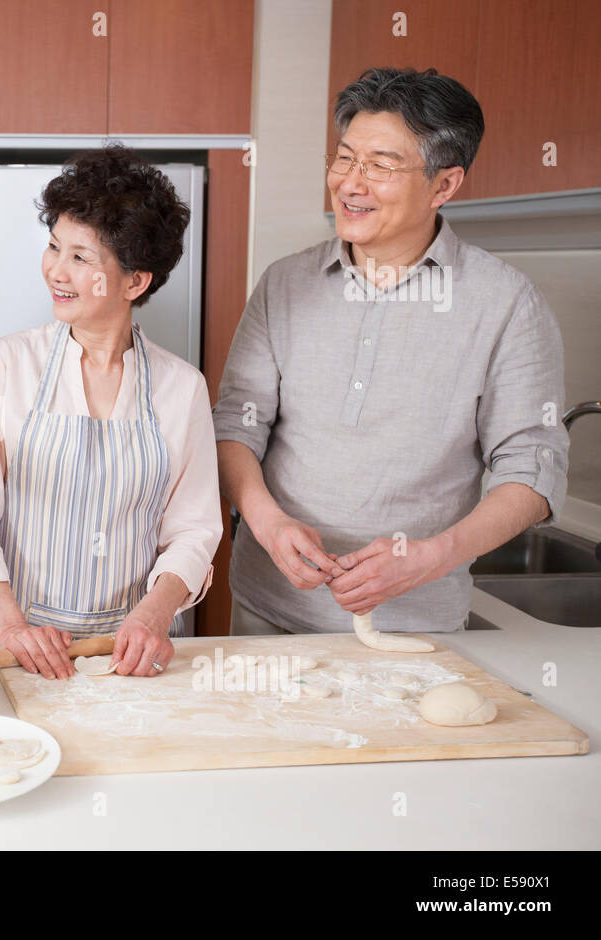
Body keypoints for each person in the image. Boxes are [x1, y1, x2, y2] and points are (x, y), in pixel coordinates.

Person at [213, 67, 568, 636]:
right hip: (268, 611)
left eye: (381, 166)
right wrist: (267, 521)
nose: (352, 183)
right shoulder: (283, 284)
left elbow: (532, 467)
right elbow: (235, 425)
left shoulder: (508, 305)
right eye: (345, 158)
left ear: (444, 186)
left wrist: (433, 556)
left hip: (414, 626)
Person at [0, 146, 222, 679]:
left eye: (81, 257)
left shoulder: (181, 388)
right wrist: (10, 628)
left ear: (135, 282)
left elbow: (194, 531)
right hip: (19, 648)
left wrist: (153, 615)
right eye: (54, 247)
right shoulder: (9, 363)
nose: (56, 270)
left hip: (130, 655)